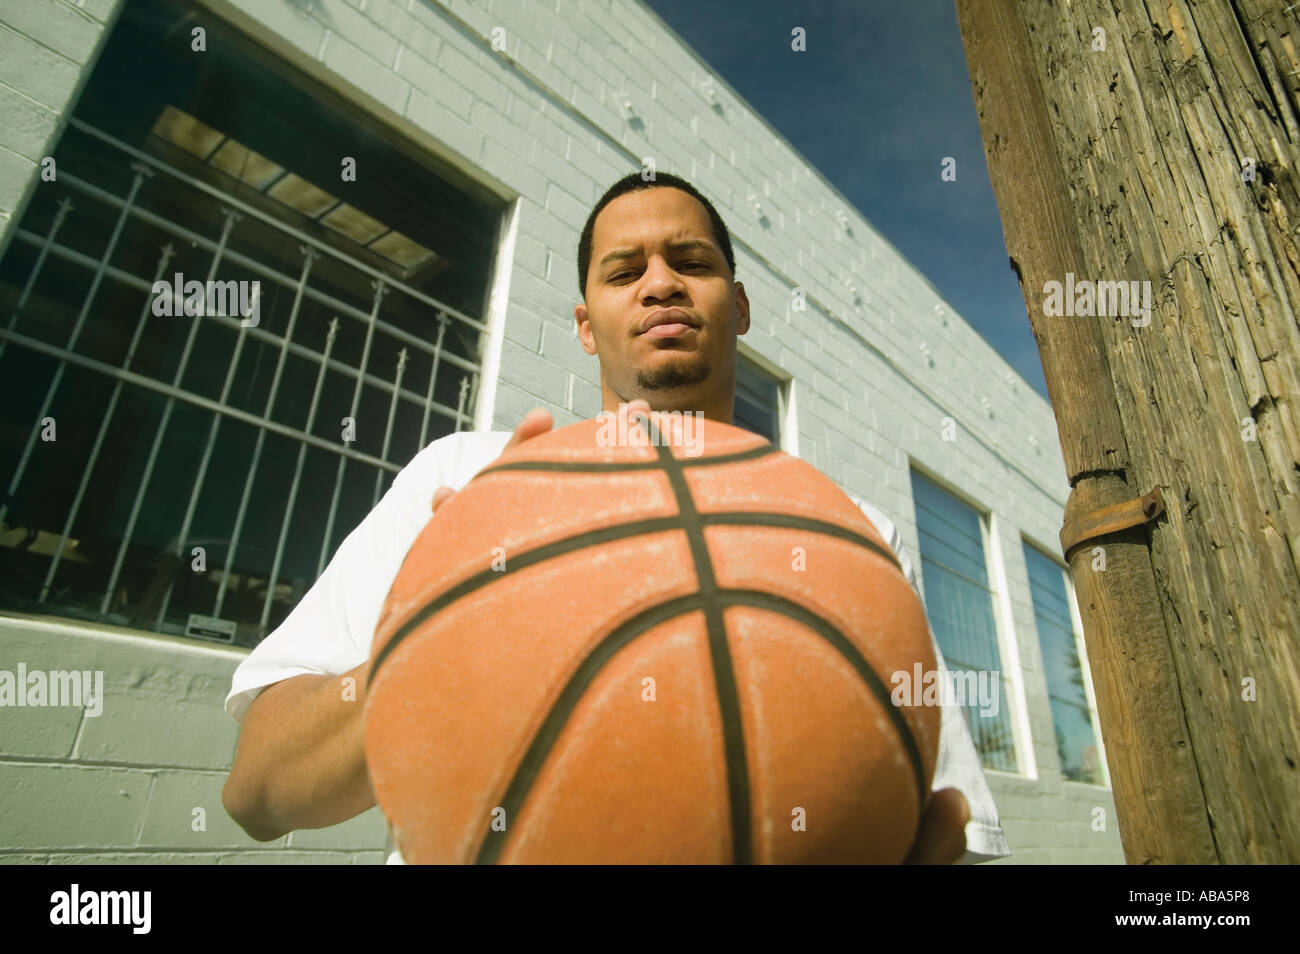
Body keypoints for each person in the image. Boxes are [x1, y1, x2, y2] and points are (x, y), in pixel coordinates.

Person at [222, 172, 1012, 865]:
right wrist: (430, 644)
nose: (660, 284)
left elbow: (941, 827)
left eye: (691, 262)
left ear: (737, 307)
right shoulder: (466, 481)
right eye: (624, 270)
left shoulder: (852, 532)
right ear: (582, 323)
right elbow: (257, 789)